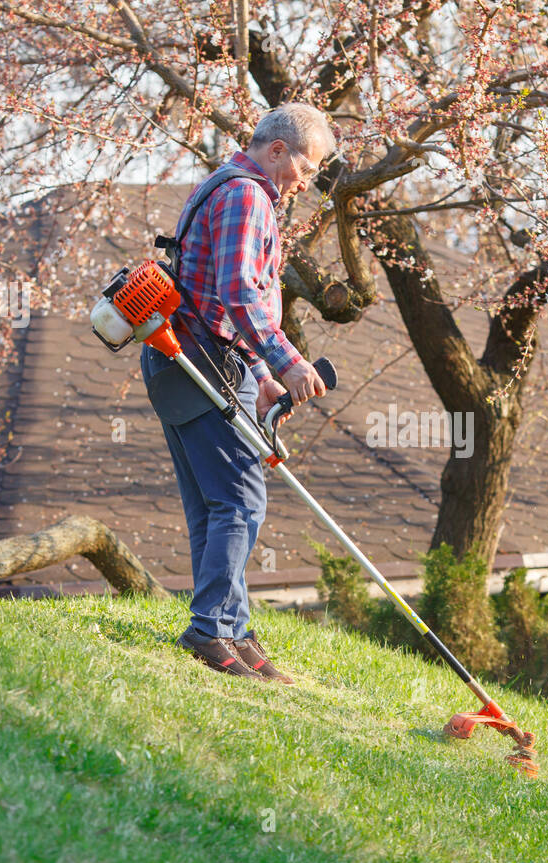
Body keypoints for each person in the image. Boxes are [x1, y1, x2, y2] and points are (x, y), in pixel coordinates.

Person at [141, 103, 332, 682]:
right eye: (308, 166)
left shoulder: (223, 186)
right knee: (241, 502)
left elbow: (220, 297)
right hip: (203, 363)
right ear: (278, 150)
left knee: (213, 505)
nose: (308, 181)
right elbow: (239, 295)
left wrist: (264, 375)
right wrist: (289, 361)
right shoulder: (247, 195)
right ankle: (210, 630)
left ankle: (230, 627)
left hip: (187, 358)